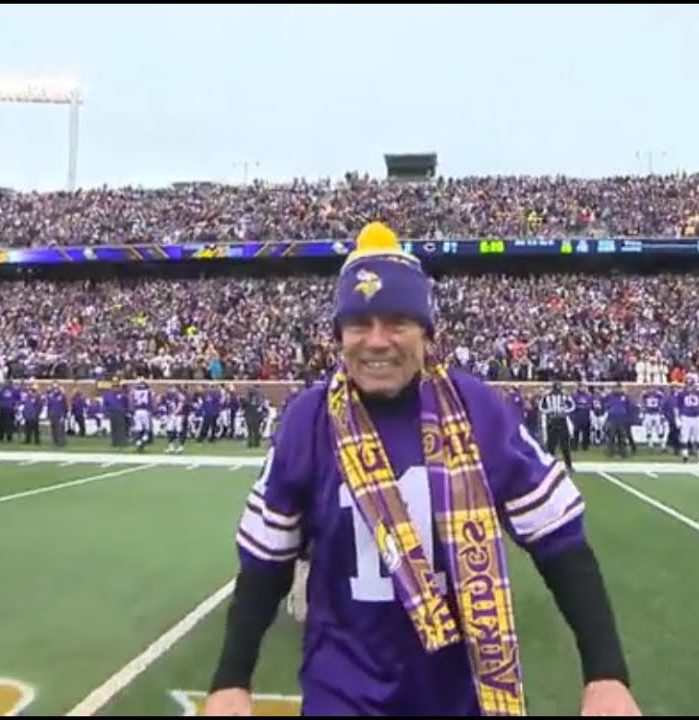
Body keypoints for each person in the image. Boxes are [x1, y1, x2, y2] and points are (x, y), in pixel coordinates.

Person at [204, 222, 639, 717]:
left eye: (396, 322)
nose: (377, 341)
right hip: (342, 689)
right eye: (359, 324)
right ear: (338, 335)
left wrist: (606, 673)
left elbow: (560, 544)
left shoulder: (478, 410)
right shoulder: (308, 420)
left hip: (457, 691)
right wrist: (231, 679)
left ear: (427, 333)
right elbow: (266, 564)